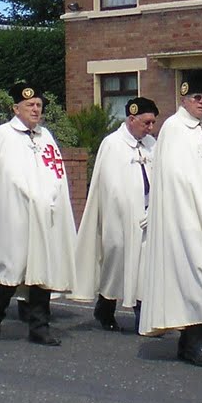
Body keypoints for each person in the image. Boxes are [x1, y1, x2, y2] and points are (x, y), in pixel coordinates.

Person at [0, 81, 76, 346]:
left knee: (41, 275)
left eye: (39, 106)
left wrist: (51, 195)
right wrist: (31, 194)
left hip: (44, 214)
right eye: (30, 105)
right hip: (16, 214)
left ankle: (39, 327)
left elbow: (55, 171)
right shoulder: (4, 134)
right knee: (11, 271)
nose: (35, 110)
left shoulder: (45, 136)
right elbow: (7, 172)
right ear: (15, 108)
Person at [137, 71, 202, 368]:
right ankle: (196, 344)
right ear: (183, 98)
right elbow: (174, 178)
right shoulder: (174, 128)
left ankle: (195, 342)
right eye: (197, 98)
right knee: (198, 279)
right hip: (188, 219)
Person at [72, 96, 157, 333]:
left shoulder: (151, 144)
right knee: (117, 260)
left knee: (145, 266)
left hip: (148, 216)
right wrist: (130, 208)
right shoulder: (113, 144)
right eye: (146, 123)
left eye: (152, 123)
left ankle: (144, 312)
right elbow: (111, 185)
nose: (150, 128)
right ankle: (106, 306)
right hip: (120, 216)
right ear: (132, 119)